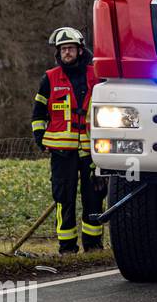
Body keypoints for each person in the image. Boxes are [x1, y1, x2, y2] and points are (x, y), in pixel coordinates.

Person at [31, 27, 106, 253]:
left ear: (80, 50)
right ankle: (67, 247)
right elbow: (38, 114)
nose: (67, 53)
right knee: (64, 199)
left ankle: (93, 246)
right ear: (58, 53)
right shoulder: (50, 78)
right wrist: (40, 139)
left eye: (70, 48)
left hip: (92, 151)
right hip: (61, 153)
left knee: (94, 197)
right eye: (63, 49)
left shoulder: (96, 75)